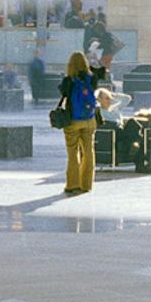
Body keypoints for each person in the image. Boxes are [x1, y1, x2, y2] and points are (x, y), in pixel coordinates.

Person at [57, 51, 105, 196]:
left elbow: (63, 93)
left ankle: (72, 184)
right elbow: (101, 73)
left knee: (73, 152)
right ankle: (86, 184)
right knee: (88, 151)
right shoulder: (92, 78)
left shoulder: (68, 80)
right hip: (90, 120)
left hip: (73, 121)